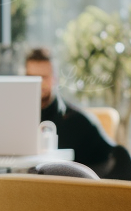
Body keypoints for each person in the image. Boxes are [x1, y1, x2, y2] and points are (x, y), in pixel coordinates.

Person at [24, 47, 122, 176]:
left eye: (44, 77)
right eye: (32, 77)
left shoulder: (79, 122)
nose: (38, 82)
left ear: (55, 78)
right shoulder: (13, 120)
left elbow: (116, 159)